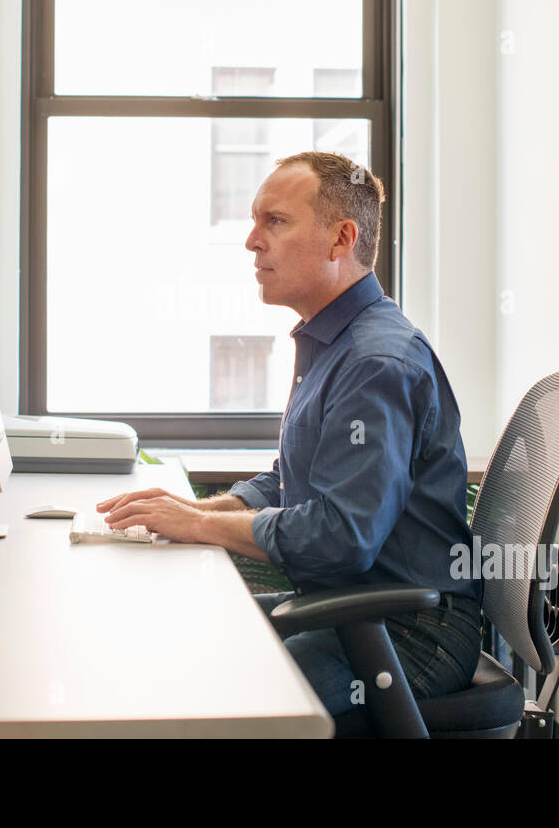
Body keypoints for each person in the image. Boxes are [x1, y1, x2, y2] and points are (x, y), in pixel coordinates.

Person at [96, 151, 482, 720]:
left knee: (205, 709)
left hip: (409, 632)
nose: (252, 241)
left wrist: (203, 524)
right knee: (172, 651)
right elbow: (291, 478)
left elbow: (341, 536)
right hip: (353, 609)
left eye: (274, 221)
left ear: (340, 239)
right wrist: (197, 508)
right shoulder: (336, 342)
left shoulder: (377, 360)